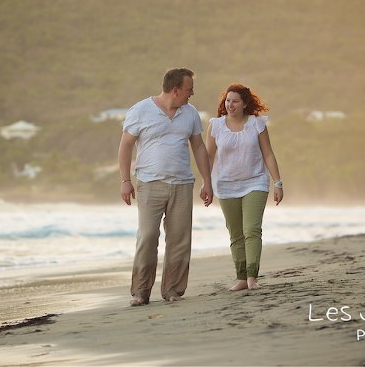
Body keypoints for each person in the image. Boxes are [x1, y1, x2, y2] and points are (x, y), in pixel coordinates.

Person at [119, 67, 213, 306]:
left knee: (180, 240)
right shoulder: (140, 110)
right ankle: (140, 291)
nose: (192, 94)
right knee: (148, 236)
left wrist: (207, 181)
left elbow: (199, 147)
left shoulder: (190, 113)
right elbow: (126, 146)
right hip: (150, 183)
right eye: (189, 90)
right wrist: (125, 181)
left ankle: (173, 290)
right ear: (175, 90)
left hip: (182, 183)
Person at [206, 83, 283, 291]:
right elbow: (209, 157)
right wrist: (206, 184)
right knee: (236, 233)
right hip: (225, 185)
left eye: (235, 101)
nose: (230, 105)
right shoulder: (216, 125)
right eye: (228, 100)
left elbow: (268, 154)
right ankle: (241, 277)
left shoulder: (257, 124)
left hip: (255, 182)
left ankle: (252, 277)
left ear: (245, 104)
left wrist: (278, 182)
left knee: (251, 229)